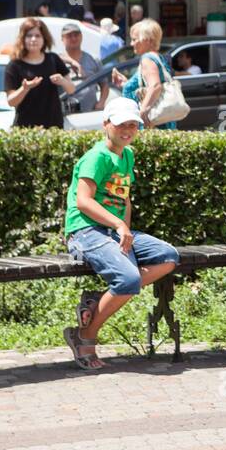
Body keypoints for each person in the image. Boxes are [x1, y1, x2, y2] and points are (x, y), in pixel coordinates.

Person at [62, 96, 178, 370]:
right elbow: (83, 201)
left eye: (133, 125)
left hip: (112, 230)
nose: (127, 130)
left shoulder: (127, 155)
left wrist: (124, 230)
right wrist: (119, 226)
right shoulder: (96, 157)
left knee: (168, 256)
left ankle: (97, 301)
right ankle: (84, 336)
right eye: (121, 125)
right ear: (106, 125)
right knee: (128, 280)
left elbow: (123, 199)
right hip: (85, 230)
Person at [4, 17, 77, 129]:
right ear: (23, 39)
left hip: (53, 128)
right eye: (29, 36)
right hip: (25, 130)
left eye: (38, 36)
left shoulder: (53, 59)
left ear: (44, 38)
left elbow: (71, 89)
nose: (33, 39)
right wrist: (24, 88)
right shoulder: (14, 65)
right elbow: (11, 102)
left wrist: (62, 81)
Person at [111, 18, 176, 129]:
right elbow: (148, 84)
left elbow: (155, 86)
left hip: (150, 124)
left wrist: (142, 112)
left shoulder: (148, 59)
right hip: (160, 123)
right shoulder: (157, 57)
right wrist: (126, 83)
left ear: (147, 40)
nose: (131, 44)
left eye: (134, 39)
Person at [61, 22, 105, 112]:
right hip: (66, 113)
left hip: (90, 112)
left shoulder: (93, 59)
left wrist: (101, 102)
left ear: (81, 36)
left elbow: (104, 85)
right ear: (62, 39)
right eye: (69, 36)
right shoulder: (57, 61)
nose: (73, 38)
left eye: (76, 35)